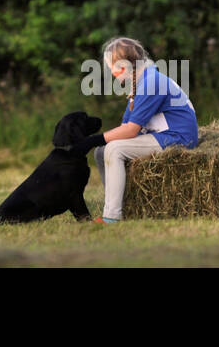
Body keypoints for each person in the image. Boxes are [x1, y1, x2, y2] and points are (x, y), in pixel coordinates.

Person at [64, 36, 199, 224]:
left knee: (114, 149)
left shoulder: (151, 82)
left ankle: (112, 217)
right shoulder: (139, 83)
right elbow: (125, 126)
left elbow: (130, 131)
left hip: (178, 137)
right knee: (101, 152)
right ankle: (119, 205)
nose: (112, 73)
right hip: (162, 135)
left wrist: (91, 140)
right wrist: (97, 142)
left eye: (111, 68)